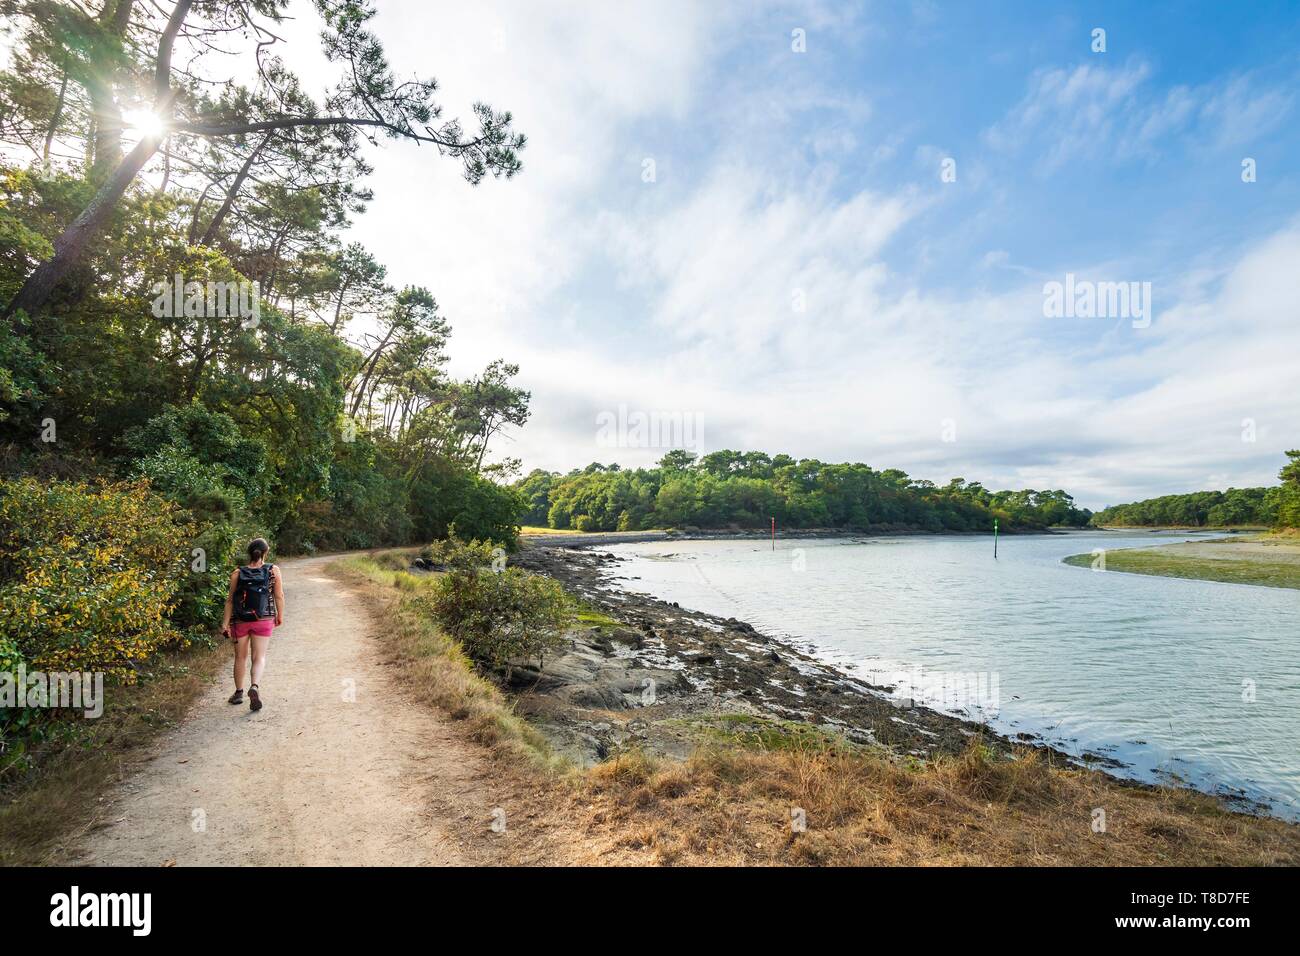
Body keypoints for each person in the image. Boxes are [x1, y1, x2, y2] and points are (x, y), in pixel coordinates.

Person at [221, 538, 284, 712]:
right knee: (259, 657)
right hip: (264, 619)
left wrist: (225, 624)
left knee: (240, 657)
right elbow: (279, 596)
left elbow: (230, 601)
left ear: (249, 552)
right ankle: (254, 686)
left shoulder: (237, 573)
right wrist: (280, 615)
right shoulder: (273, 570)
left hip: (240, 620)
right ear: (265, 553)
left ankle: (239, 693)